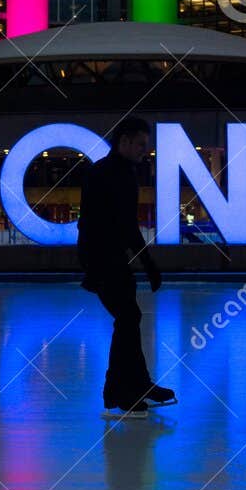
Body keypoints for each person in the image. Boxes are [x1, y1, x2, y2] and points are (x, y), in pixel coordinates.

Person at [78, 116, 174, 416]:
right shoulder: (108, 174)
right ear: (124, 141)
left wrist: (144, 263)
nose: (145, 150)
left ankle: (134, 385)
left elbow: (123, 226)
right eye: (141, 144)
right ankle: (119, 390)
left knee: (129, 318)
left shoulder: (118, 172)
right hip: (103, 259)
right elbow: (107, 224)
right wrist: (148, 263)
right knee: (128, 317)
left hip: (112, 259)